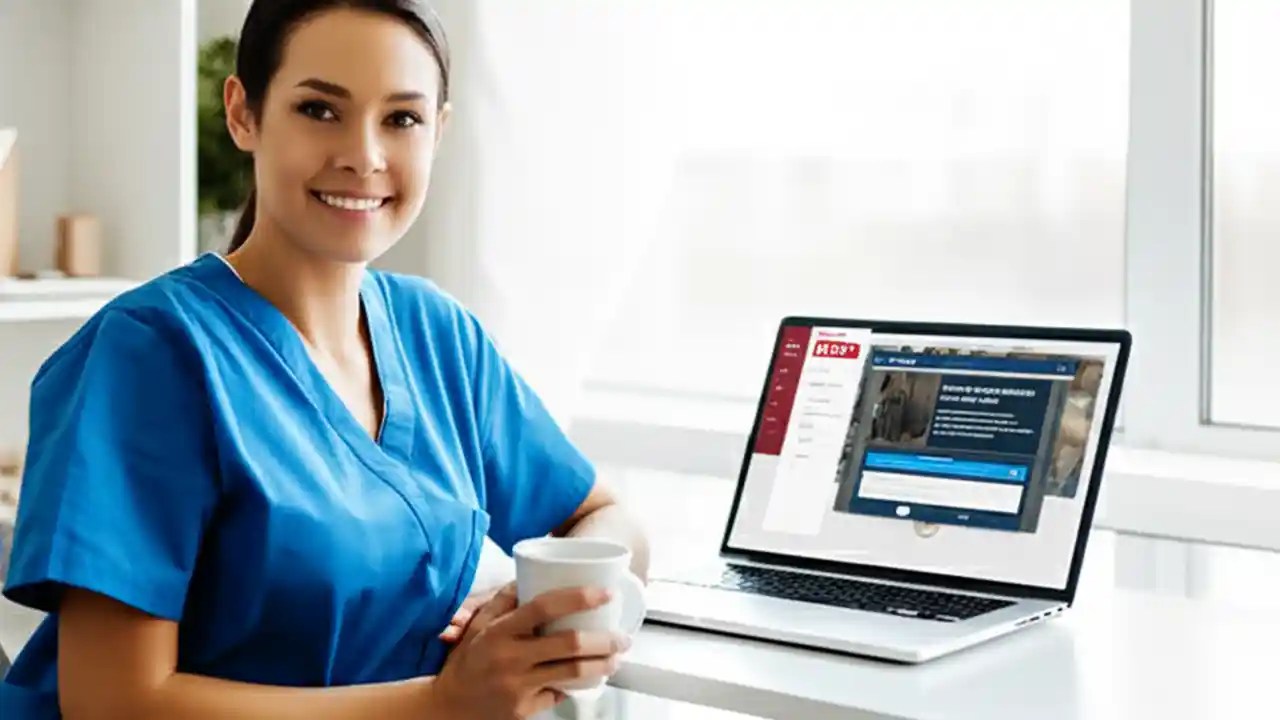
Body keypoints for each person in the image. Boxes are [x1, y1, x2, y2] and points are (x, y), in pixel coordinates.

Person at [0, 2, 648, 718]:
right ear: (243, 113)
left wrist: (537, 604)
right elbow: (113, 701)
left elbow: (606, 517)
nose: (364, 156)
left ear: (440, 131)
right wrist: (442, 703)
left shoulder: (439, 337)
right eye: (319, 109)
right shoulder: (150, 354)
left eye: (401, 119)